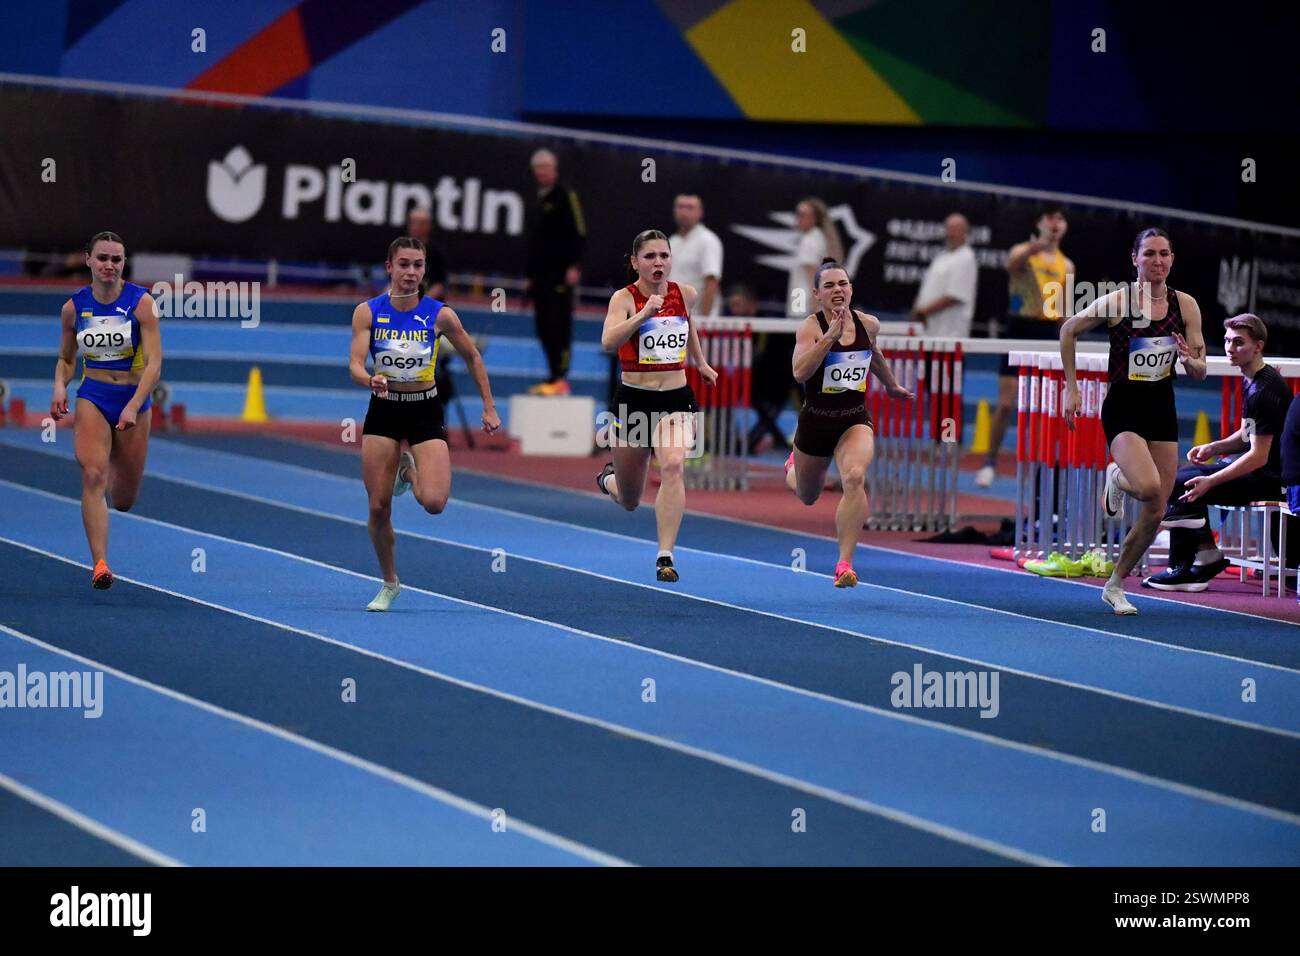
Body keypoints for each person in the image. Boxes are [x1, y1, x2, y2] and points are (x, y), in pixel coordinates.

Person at [349, 237, 500, 611]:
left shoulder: (440, 314)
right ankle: (389, 582)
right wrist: (369, 379)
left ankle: (409, 471)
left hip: (424, 408)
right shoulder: (367, 312)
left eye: (418, 265)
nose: (411, 272)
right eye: (404, 264)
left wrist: (489, 406)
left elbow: (473, 357)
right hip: (384, 409)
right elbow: (353, 363)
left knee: (434, 502)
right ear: (389, 267)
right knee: (378, 507)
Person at [1061, 228, 1207, 615]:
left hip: (1162, 406)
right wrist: (1071, 389)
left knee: (1157, 509)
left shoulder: (1186, 305)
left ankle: (1115, 583)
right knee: (1147, 487)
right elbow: (1068, 330)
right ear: (1135, 259)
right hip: (1124, 405)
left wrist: (1191, 361)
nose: (1157, 261)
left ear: (1172, 259)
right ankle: (1117, 477)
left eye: (1163, 254)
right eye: (1149, 254)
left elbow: (1199, 368)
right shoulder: (1118, 302)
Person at [595, 230, 717, 582]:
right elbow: (608, 341)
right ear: (635, 262)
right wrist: (643, 313)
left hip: (675, 400)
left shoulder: (685, 294)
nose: (658, 263)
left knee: (674, 465)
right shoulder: (624, 298)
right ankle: (609, 480)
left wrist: (701, 363)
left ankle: (665, 555)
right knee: (631, 499)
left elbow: (687, 326)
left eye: (664, 256)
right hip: (634, 402)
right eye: (650, 257)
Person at [784, 259, 913, 587]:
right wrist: (829, 338)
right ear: (817, 294)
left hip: (853, 419)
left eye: (842, 284)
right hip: (815, 423)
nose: (837, 290)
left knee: (854, 478)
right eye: (829, 286)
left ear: (851, 289)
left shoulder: (869, 324)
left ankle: (844, 564)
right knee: (806, 495)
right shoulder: (810, 328)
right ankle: (791, 466)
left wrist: (892, 385)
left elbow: (874, 354)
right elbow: (799, 373)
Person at [1143, 314, 1291, 591]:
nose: (1230, 348)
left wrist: (1211, 480)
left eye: (1238, 343)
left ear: (1258, 346)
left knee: (1182, 482)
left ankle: (1184, 566)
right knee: (1182, 477)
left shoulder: (1265, 388)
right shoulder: (1252, 379)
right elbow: (1249, 434)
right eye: (1226, 341)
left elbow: (1258, 455)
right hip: (1259, 470)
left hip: (1271, 480)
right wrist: (1215, 447)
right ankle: (1205, 555)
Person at [50, 231, 163, 589]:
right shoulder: (73, 308)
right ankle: (100, 564)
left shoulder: (141, 303)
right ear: (88, 260)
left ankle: (115, 452)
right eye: (103, 258)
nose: (109, 265)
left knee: (125, 500)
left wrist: (132, 407)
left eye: (116, 259)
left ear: (123, 263)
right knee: (92, 475)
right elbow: (67, 359)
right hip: (94, 396)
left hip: (134, 399)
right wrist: (59, 385)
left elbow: (155, 364)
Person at [979, 204, 1075, 487]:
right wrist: (1038, 246)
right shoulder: (1022, 251)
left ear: (1065, 225)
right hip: (1018, 327)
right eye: (1050, 217)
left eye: (1060, 218)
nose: (1055, 222)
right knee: (1007, 404)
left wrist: (1068, 341)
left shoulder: (1066, 265)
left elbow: (1065, 309)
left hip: (1046, 332)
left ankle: (1037, 469)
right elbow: (1012, 267)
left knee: (1042, 408)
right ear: (1039, 222)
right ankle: (990, 462)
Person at [525, 149, 586, 396]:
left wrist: (575, 265)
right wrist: (530, 275)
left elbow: (579, 232)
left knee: (558, 324)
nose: (542, 173)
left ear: (554, 170)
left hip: (561, 276)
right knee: (542, 327)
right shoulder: (538, 199)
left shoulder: (566, 196)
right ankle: (552, 373)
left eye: (546, 168)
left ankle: (561, 375)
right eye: (538, 169)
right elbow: (535, 241)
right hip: (540, 277)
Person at [731, 283, 794, 453]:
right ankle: (729, 437)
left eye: (738, 304)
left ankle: (764, 439)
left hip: (775, 384)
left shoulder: (768, 327)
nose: (734, 310)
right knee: (727, 388)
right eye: (732, 305)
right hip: (752, 382)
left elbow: (768, 362)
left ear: (752, 304)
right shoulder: (733, 326)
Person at [909, 213, 978, 338]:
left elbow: (954, 295)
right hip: (930, 331)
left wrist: (923, 312)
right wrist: (916, 310)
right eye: (948, 228)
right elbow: (926, 289)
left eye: (955, 229)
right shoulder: (942, 256)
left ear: (965, 233)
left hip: (950, 335)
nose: (950, 234)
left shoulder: (966, 257)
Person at [668, 193, 723, 318]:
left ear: (700, 212)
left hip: (698, 318)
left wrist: (705, 319)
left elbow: (712, 281)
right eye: (680, 207)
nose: (684, 212)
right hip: (673, 317)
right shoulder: (671, 241)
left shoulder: (708, 240)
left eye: (690, 207)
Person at [787, 197, 843, 318]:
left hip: (802, 307)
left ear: (814, 218)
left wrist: (814, 308)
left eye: (802, 215)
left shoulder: (810, 240)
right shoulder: (818, 237)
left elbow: (813, 275)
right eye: (797, 214)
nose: (798, 219)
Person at [403, 207, 447, 300]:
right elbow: (392, 282)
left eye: (421, 223)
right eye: (413, 223)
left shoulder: (436, 254)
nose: (417, 227)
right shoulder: (399, 250)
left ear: (429, 226)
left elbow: (439, 286)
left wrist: (421, 304)